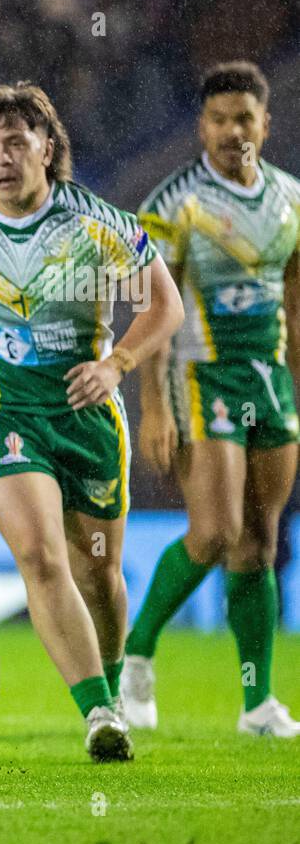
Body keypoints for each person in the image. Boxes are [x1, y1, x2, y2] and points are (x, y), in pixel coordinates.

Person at [0, 82, 183, 762]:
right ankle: (97, 713)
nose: (2, 158)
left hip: (88, 416)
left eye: (16, 144)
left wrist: (117, 364)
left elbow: (164, 305)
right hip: (4, 413)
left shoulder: (98, 224)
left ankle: (110, 688)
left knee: (101, 575)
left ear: (48, 148)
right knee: (39, 555)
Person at [123, 61, 300, 737]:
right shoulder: (171, 205)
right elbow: (151, 308)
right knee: (215, 532)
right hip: (202, 376)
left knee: (259, 544)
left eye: (244, 119)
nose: (233, 131)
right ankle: (137, 653)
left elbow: (296, 293)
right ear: (202, 126)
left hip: (269, 378)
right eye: (220, 119)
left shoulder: (290, 198)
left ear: (265, 123)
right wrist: (154, 408)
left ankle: (257, 704)